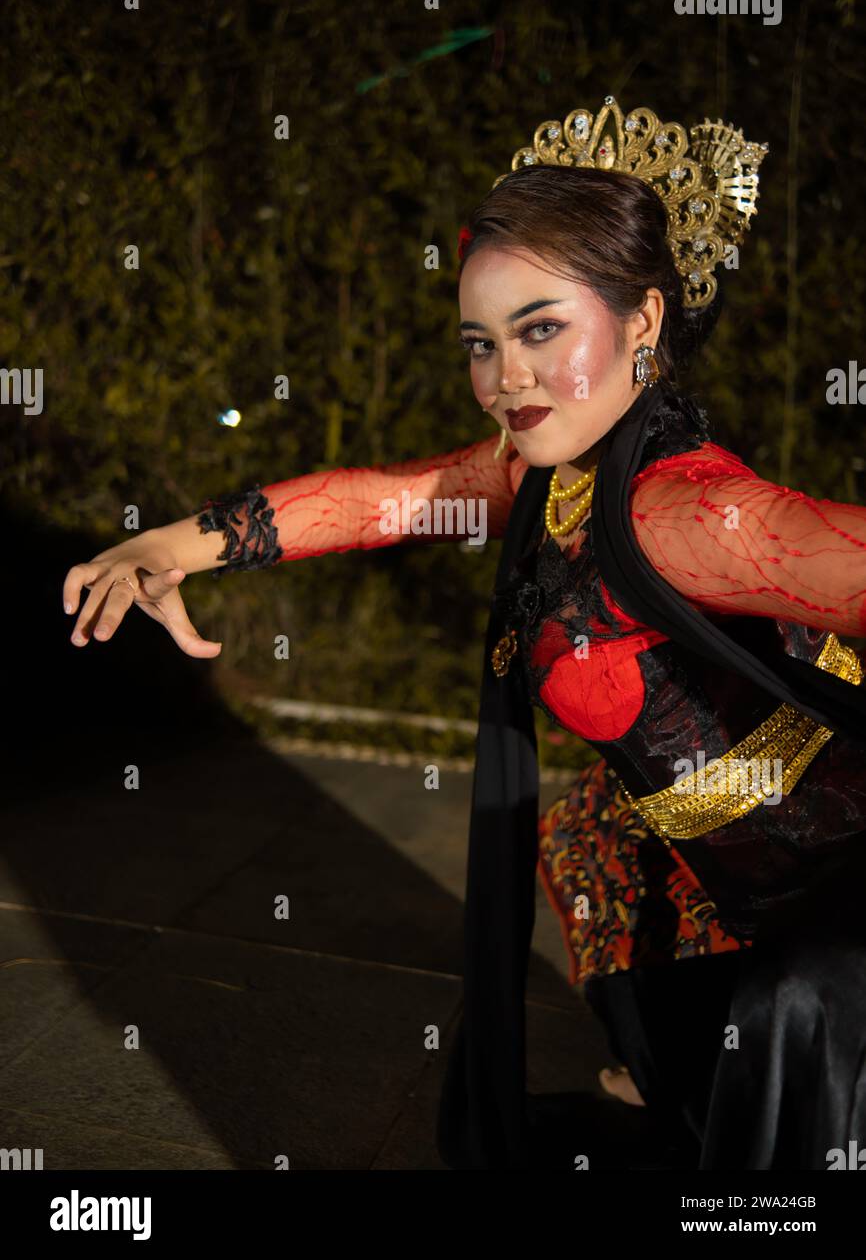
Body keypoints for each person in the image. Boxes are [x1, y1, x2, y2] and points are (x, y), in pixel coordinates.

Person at [63, 96, 866, 1171]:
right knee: (585, 833)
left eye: (541, 331)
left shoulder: (687, 516)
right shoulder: (549, 473)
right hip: (724, 865)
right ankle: (682, 1067)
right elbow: (384, 499)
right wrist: (170, 546)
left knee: (795, 1013)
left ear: (641, 324)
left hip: (838, 886)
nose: (506, 380)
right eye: (480, 345)